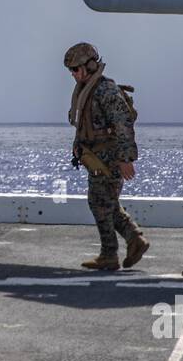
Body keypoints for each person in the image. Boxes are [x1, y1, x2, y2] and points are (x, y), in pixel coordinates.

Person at [64, 42, 150, 270]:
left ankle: (111, 253)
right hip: (95, 156)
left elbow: (123, 125)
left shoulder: (105, 90)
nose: (73, 74)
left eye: (75, 69)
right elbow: (83, 124)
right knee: (106, 203)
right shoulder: (86, 91)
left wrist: (125, 159)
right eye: (70, 70)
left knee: (99, 202)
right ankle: (133, 240)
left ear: (89, 66)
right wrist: (77, 146)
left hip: (109, 157)